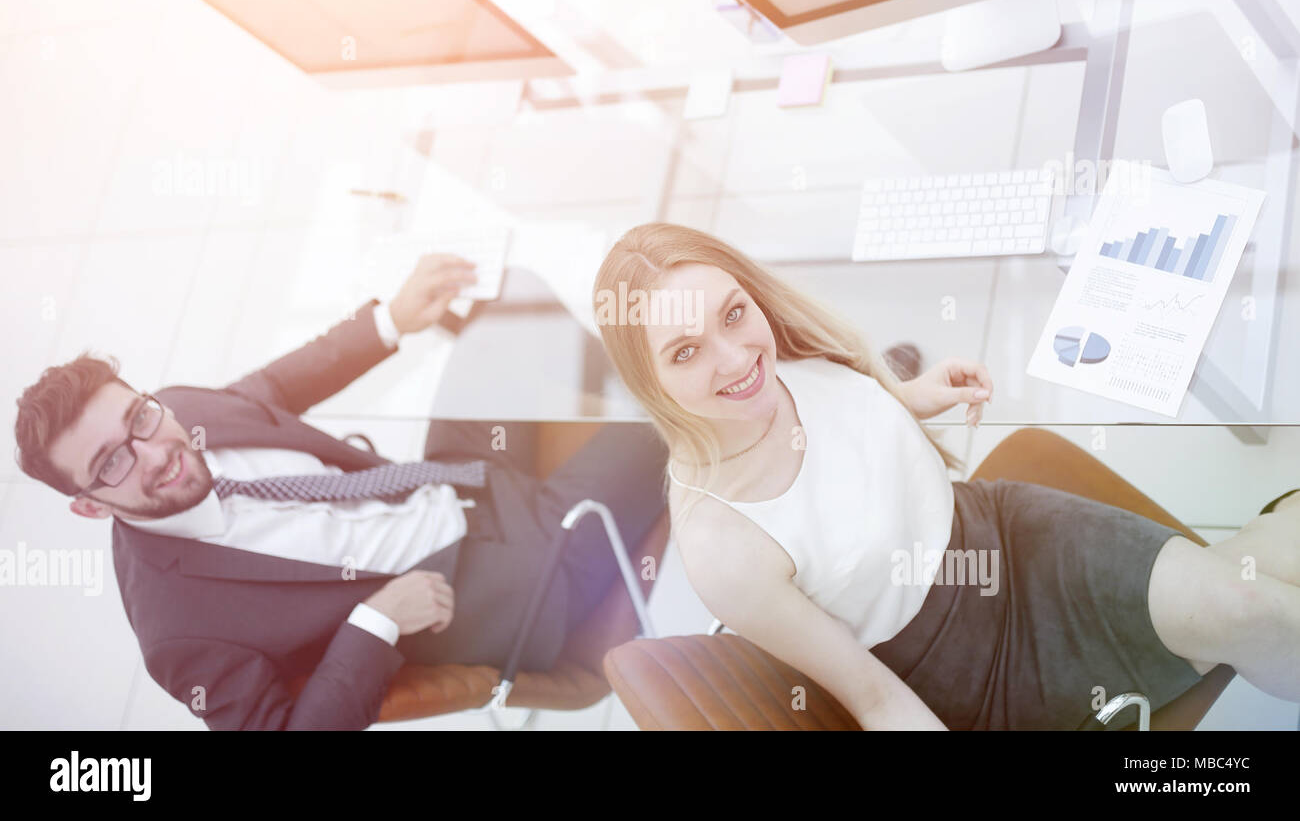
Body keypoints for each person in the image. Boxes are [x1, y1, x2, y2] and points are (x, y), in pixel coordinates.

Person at [591, 222, 1300, 730]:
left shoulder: (785, 354)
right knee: (1247, 602)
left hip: (1006, 534)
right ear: (649, 384)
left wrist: (906, 395)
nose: (736, 357)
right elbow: (872, 697)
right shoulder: (723, 545)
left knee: (1244, 604)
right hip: (966, 669)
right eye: (685, 352)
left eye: (734, 313)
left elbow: (837, 431)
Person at [15, 254, 668, 730]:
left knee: (513, 297)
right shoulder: (177, 632)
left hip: (446, 477)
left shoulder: (178, 408)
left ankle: (627, 406)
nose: (156, 453)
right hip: (500, 579)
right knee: (662, 423)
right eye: (111, 463)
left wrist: (391, 319)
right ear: (89, 504)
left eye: (140, 418)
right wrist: (377, 620)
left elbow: (267, 390)